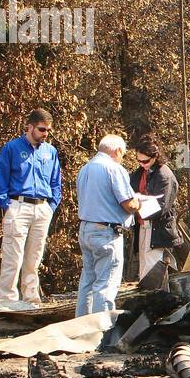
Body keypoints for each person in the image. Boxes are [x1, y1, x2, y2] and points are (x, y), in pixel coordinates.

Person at [0, 109, 62, 304]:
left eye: (48, 130)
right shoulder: (12, 148)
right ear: (29, 127)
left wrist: (51, 205)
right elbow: (0, 182)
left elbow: (56, 182)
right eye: (41, 129)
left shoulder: (51, 151)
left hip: (42, 207)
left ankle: (31, 297)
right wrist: (8, 205)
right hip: (18, 204)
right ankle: (8, 300)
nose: (45, 134)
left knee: (35, 256)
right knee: (12, 256)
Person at [75, 134, 140, 317]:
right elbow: (128, 203)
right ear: (117, 151)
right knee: (105, 283)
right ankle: (102, 332)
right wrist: (139, 203)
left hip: (86, 228)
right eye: (123, 154)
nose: (122, 157)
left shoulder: (85, 168)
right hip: (106, 232)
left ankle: (80, 327)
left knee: (87, 281)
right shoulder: (113, 168)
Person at [129, 134, 180, 283]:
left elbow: (162, 207)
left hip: (158, 227)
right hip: (143, 225)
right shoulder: (140, 173)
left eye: (145, 161)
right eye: (139, 161)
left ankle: (154, 298)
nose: (142, 164)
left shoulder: (164, 175)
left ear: (155, 156)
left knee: (151, 269)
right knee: (144, 266)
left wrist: (138, 204)